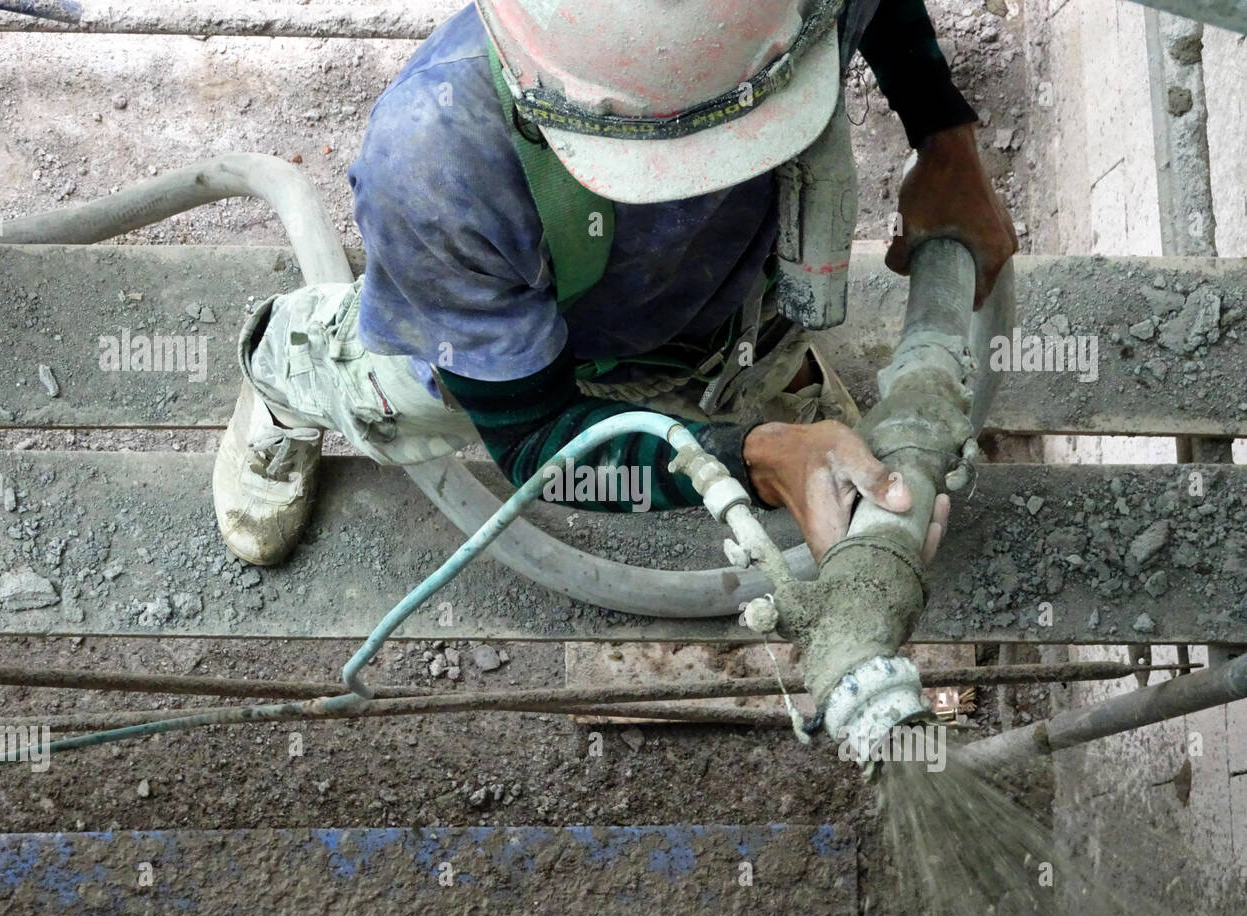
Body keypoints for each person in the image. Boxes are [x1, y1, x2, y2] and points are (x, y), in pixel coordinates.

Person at [213, 0, 1016, 572]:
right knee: (390, 389)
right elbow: (536, 445)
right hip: (504, 347)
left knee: (747, 362)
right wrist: (751, 463)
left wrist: (943, 136)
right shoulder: (435, 165)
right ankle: (288, 377)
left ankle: (750, 404)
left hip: (725, 296)